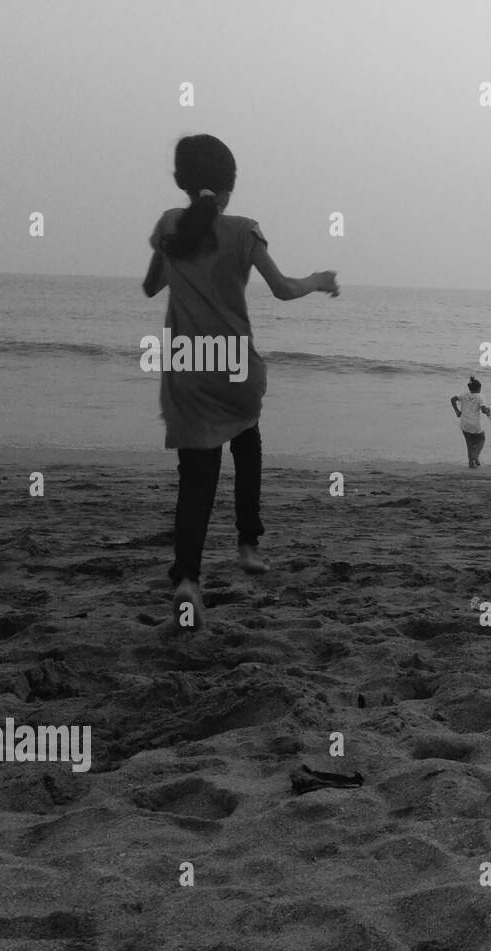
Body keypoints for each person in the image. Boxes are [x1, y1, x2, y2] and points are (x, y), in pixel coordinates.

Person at [142, 134, 339, 630]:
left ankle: (187, 579)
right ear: (230, 186)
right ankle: (248, 544)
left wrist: (180, 262)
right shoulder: (245, 232)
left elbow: (151, 286)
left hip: (187, 367)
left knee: (196, 479)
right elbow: (284, 289)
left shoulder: (170, 226)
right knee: (247, 439)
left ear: (181, 182)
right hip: (233, 366)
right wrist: (318, 279)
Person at [450, 376, 491, 468]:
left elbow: (452, 399)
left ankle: (471, 464)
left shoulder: (464, 394)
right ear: (479, 388)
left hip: (464, 424)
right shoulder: (480, 397)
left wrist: (457, 411)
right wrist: (488, 411)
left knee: (469, 444)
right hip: (475, 424)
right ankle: (475, 456)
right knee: (481, 439)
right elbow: (483, 410)